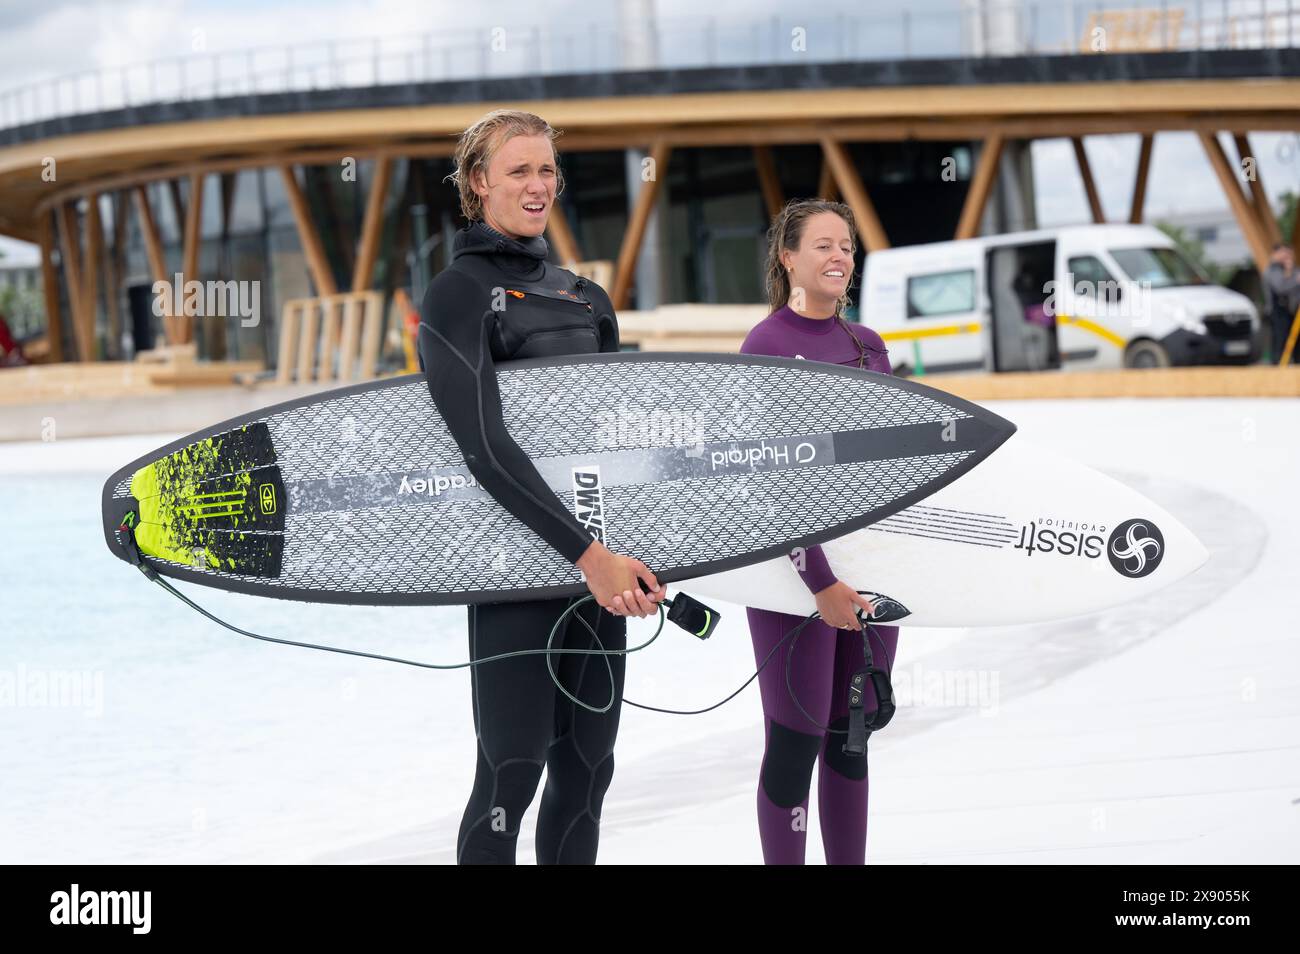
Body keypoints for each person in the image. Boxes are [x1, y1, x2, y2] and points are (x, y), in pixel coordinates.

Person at [417, 109, 666, 864]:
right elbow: (485, 448)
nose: (537, 185)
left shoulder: (587, 298)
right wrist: (590, 555)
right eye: (519, 170)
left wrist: (632, 555)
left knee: (589, 773)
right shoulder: (456, 295)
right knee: (511, 775)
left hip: (596, 573)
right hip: (509, 575)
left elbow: (613, 452)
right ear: (477, 182)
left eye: (547, 170)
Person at [739, 199, 901, 865]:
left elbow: (898, 467)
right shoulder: (766, 346)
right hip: (792, 580)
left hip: (873, 570)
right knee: (795, 739)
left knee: (850, 735)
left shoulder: (868, 346)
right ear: (788, 257)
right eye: (824, 246)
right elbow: (767, 483)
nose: (840, 258)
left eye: (848, 247)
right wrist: (821, 582)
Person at [1264, 242, 1300, 364]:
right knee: (1280, 341)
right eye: (1284, 253)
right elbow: (1281, 288)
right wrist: (1293, 278)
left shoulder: (1289, 269)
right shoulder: (1272, 270)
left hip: (1291, 311)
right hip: (1277, 312)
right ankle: (1277, 366)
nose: (1286, 257)